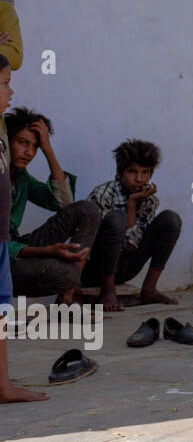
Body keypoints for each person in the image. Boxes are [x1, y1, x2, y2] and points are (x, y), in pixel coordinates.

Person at [5, 108, 98, 305]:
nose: (29, 152)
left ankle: (66, 300)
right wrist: (48, 251)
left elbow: (62, 203)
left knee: (87, 210)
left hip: (16, 248)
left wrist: (48, 150)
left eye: (35, 146)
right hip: (3, 259)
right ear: (6, 141)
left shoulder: (21, 178)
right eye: (23, 143)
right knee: (66, 274)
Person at [84, 140, 182, 311]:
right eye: (132, 172)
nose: (139, 179)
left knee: (171, 220)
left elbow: (130, 246)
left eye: (145, 172)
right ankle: (107, 292)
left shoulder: (149, 201)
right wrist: (131, 205)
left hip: (125, 267)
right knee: (116, 220)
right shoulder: (102, 195)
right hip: (95, 269)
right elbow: (99, 244)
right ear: (120, 173)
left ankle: (149, 289)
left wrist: (132, 203)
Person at [0, 58, 48, 402]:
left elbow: (62, 199)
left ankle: (3, 385)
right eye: (4, 83)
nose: (10, 90)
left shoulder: (0, 134)